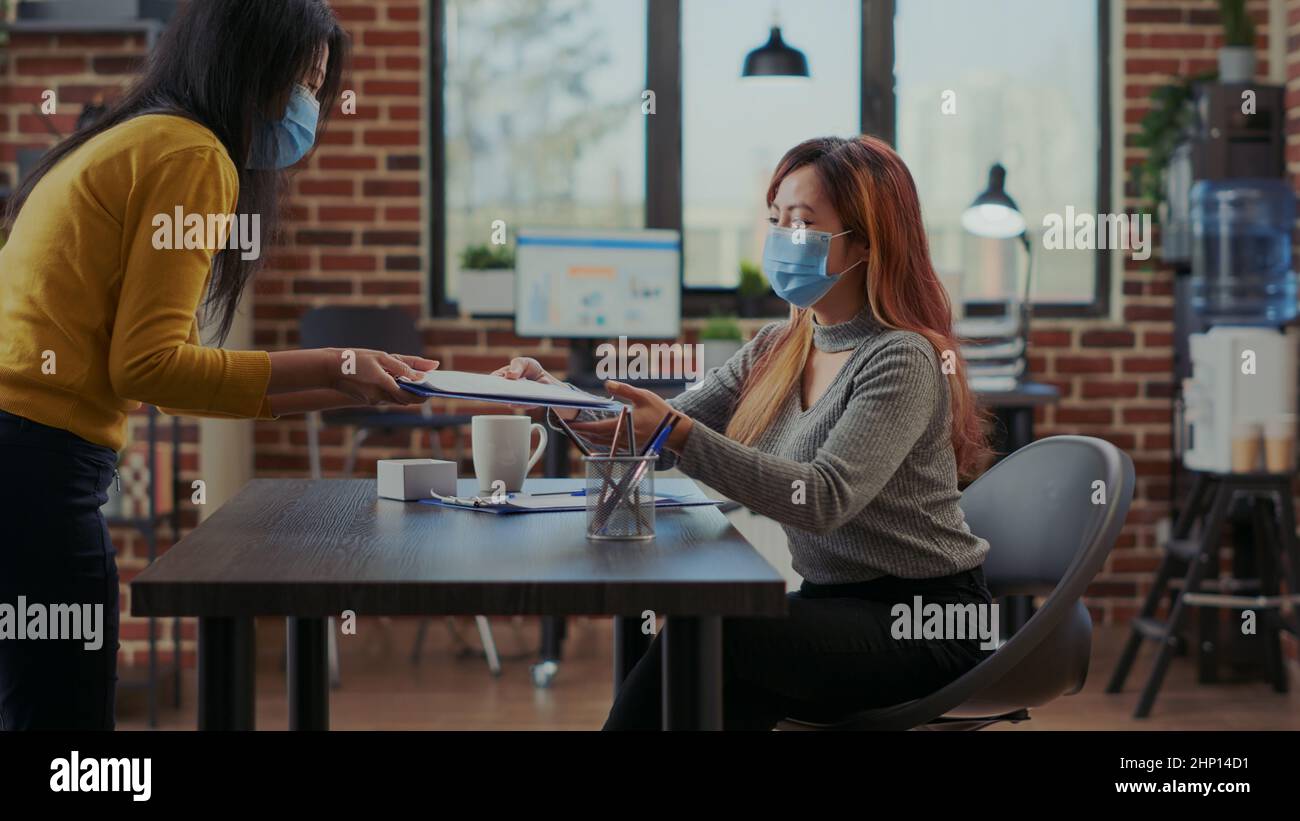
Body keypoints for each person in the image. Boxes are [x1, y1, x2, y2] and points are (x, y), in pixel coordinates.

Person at [0, 0, 435, 730]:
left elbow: (153, 367)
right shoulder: (193, 155)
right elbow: (149, 366)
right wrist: (337, 362)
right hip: (36, 465)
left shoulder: (139, 134)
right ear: (251, 65)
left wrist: (340, 377)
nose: (309, 106)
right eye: (304, 80)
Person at [494, 135, 994, 730]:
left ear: (864, 241)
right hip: (831, 607)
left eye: (803, 222)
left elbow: (824, 498)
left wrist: (674, 435)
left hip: (926, 622)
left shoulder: (901, 357)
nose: (782, 237)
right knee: (705, 672)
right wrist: (553, 396)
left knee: (715, 639)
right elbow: (649, 431)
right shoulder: (778, 346)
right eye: (776, 220)